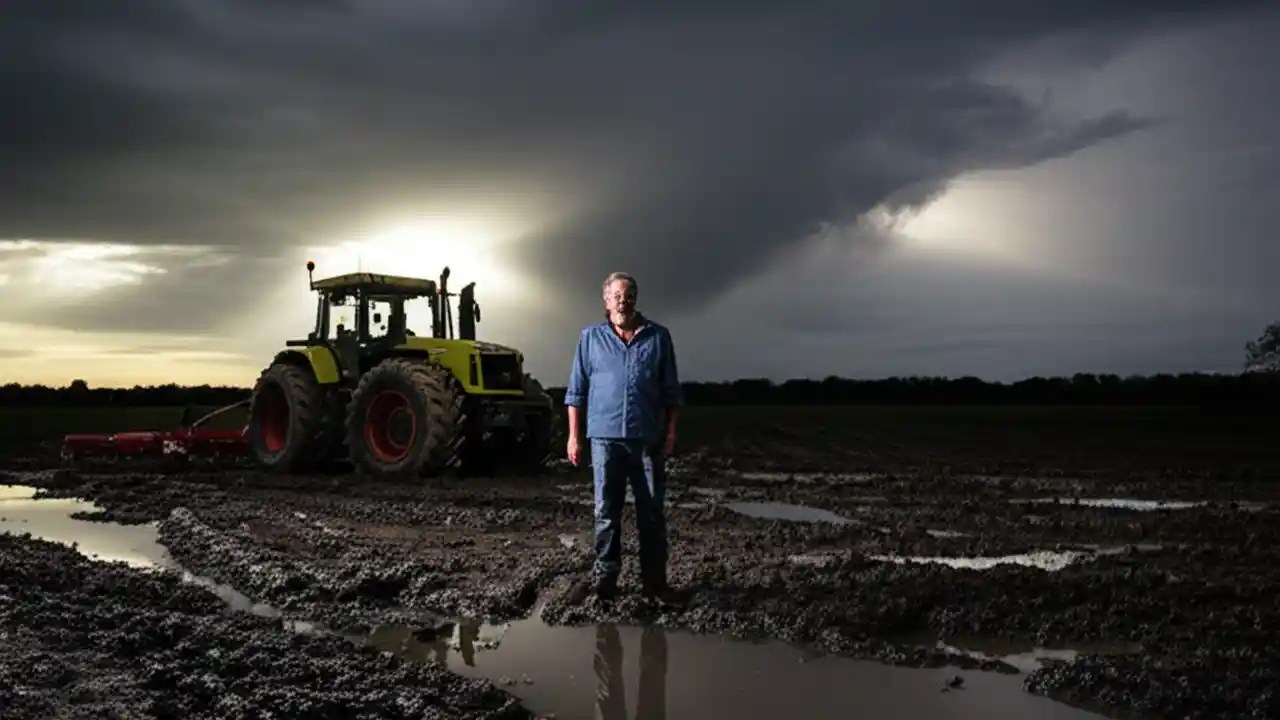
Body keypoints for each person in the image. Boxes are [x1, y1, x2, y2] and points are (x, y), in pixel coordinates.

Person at [565, 271, 682, 600]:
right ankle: (605, 581)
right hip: (604, 440)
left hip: (647, 441)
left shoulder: (658, 337)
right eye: (616, 294)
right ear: (606, 300)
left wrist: (670, 434)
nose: (622, 300)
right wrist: (574, 438)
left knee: (651, 513)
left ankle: (655, 585)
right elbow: (576, 393)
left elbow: (671, 392)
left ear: (635, 298)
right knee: (606, 512)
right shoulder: (590, 338)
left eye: (628, 294)